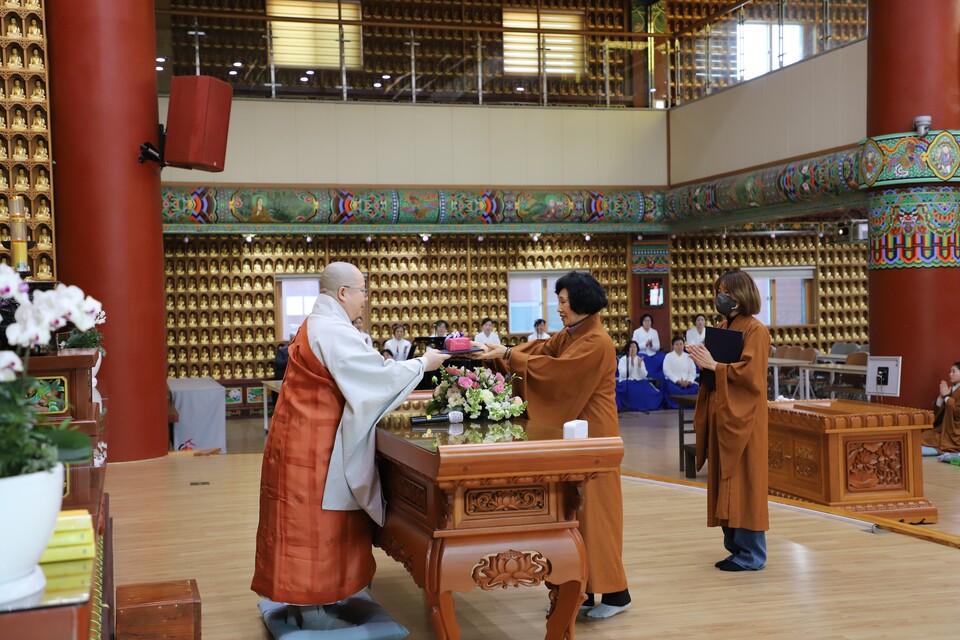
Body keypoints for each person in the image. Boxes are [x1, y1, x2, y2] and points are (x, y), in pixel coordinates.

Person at [251, 262, 449, 614]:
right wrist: (423, 364)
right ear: (343, 293)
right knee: (315, 523)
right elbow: (375, 376)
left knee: (297, 518)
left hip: (298, 435)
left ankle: (304, 603)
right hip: (316, 445)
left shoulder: (316, 324)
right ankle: (313, 608)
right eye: (362, 291)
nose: (365, 298)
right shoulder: (332, 330)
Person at [473, 271, 631, 619]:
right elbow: (541, 352)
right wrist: (501, 354)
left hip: (594, 439)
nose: (558, 308)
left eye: (562, 301)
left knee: (596, 516)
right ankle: (582, 591)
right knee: (573, 515)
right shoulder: (573, 334)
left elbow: (555, 374)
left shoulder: (597, 341)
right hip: (575, 435)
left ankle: (617, 593)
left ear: (580, 302)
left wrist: (510, 354)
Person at [687, 270, 770, 572]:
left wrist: (716, 366)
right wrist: (704, 363)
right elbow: (716, 369)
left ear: (742, 294)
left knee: (746, 482)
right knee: (725, 480)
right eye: (719, 289)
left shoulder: (756, 331)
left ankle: (752, 555)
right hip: (723, 414)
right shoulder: (723, 326)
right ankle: (736, 549)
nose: (721, 296)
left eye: (727, 291)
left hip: (744, 418)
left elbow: (751, 376)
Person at [922, 361, 960, 453]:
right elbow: (941, 412)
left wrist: (946, 396)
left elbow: (957, 411)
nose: (950, 374)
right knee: (922, 436)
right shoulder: (952, 389)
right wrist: (940, 397)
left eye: (953, 371)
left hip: (954, 433)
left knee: (922, 439)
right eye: (950, 371)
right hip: (944, 429)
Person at [663, 335, 699, 409]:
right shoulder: (668, 356)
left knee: (697, 388)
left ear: (684, 345)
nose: (679, 346)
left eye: (681, 344)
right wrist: (678, 381)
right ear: (673, 346)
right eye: (676, 344)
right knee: (672, 389)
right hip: (673, 382)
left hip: (687, 383)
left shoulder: (688, 356)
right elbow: (667, 371)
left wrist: (688, 381)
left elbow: (692, 371)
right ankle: (676, 405)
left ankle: (691, 405)